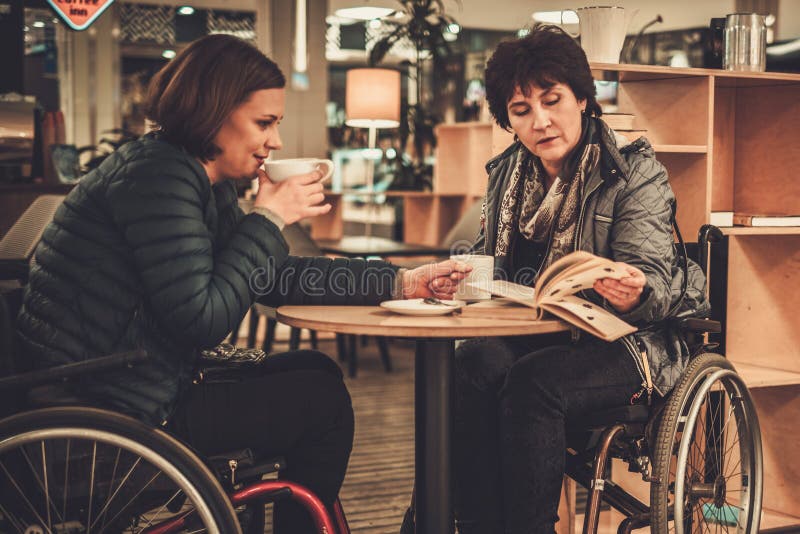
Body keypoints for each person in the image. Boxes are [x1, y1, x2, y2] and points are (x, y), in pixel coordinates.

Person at [15, 34, 468, 533]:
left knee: (317, 370)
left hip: (128, 385)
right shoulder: (158, 179)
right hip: (108, 414)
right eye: (264, 123)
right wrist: (268, 218)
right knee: (321, 404)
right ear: (213, 113)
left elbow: (272, 275)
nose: (275, 141)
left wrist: (402, 281)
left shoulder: (193, 177)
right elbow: (202, 319)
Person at [451, 25, 710, 534]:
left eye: (552, 101)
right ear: (508, 120)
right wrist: (463, 275)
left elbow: (655, 282)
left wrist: (634, 293)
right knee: (469, 363)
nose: (540, 121)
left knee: (534, 383)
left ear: (583, 99)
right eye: (522, 110)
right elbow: (491, 261)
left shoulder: (631, 172)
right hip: (537, 336)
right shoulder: (506, 173)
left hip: (630, 345)